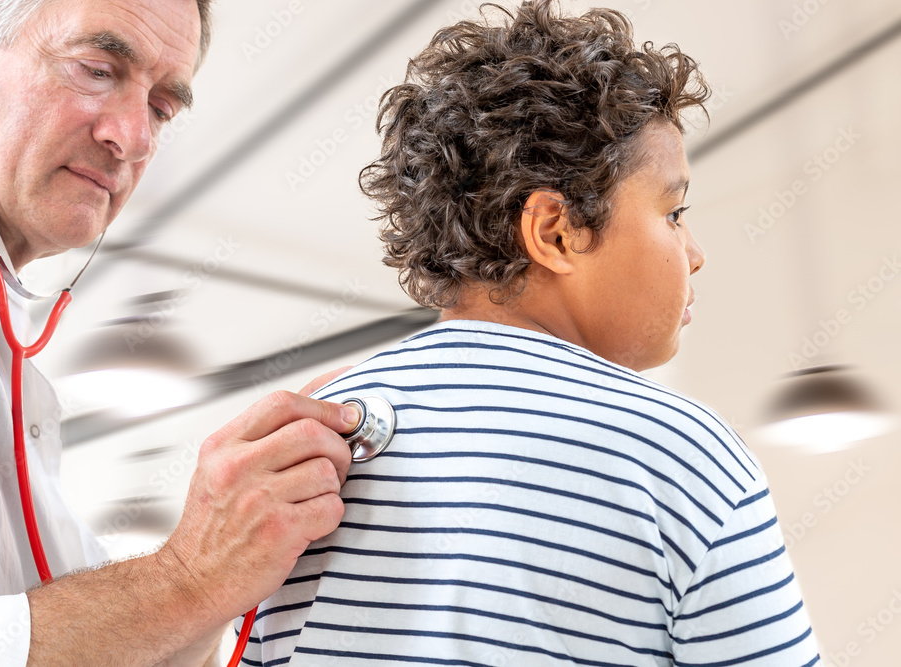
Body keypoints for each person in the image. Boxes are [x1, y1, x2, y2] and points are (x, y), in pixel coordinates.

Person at [245, 2, 822, 665]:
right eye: (674, 210)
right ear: (554, 231)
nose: (694, 252)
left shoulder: (295, 460)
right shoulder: (685, 455)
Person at [0, 0, 359, 664]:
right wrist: (192, 577)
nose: (135, 137)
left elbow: (93, 631)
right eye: (96, 69)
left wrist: (233, 557)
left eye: (162, 108)